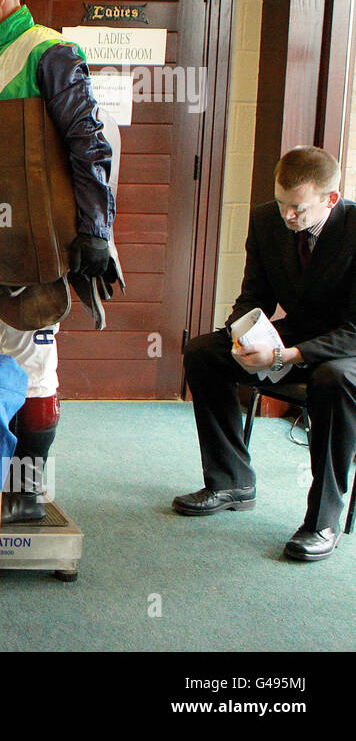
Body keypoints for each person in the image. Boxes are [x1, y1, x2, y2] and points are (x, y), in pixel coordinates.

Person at [0, 0, 114, 523]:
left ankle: (27, 492)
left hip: (39, 245)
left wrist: (96, 233)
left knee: (32, 364)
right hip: (1, 245)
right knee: (3, 358)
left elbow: (90, 147)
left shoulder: (49, 50)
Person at [176, 147, 356, 561]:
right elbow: (255, 296)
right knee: (204, 353)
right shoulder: (264, 219)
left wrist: (287, 355)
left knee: (334, 380)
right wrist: (243, 337)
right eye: (281, 204)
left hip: (346, 348)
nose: (288, 216)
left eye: (298, 208)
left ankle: (323, 520)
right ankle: (230, 481)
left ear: (331, 199)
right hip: (296, 335)